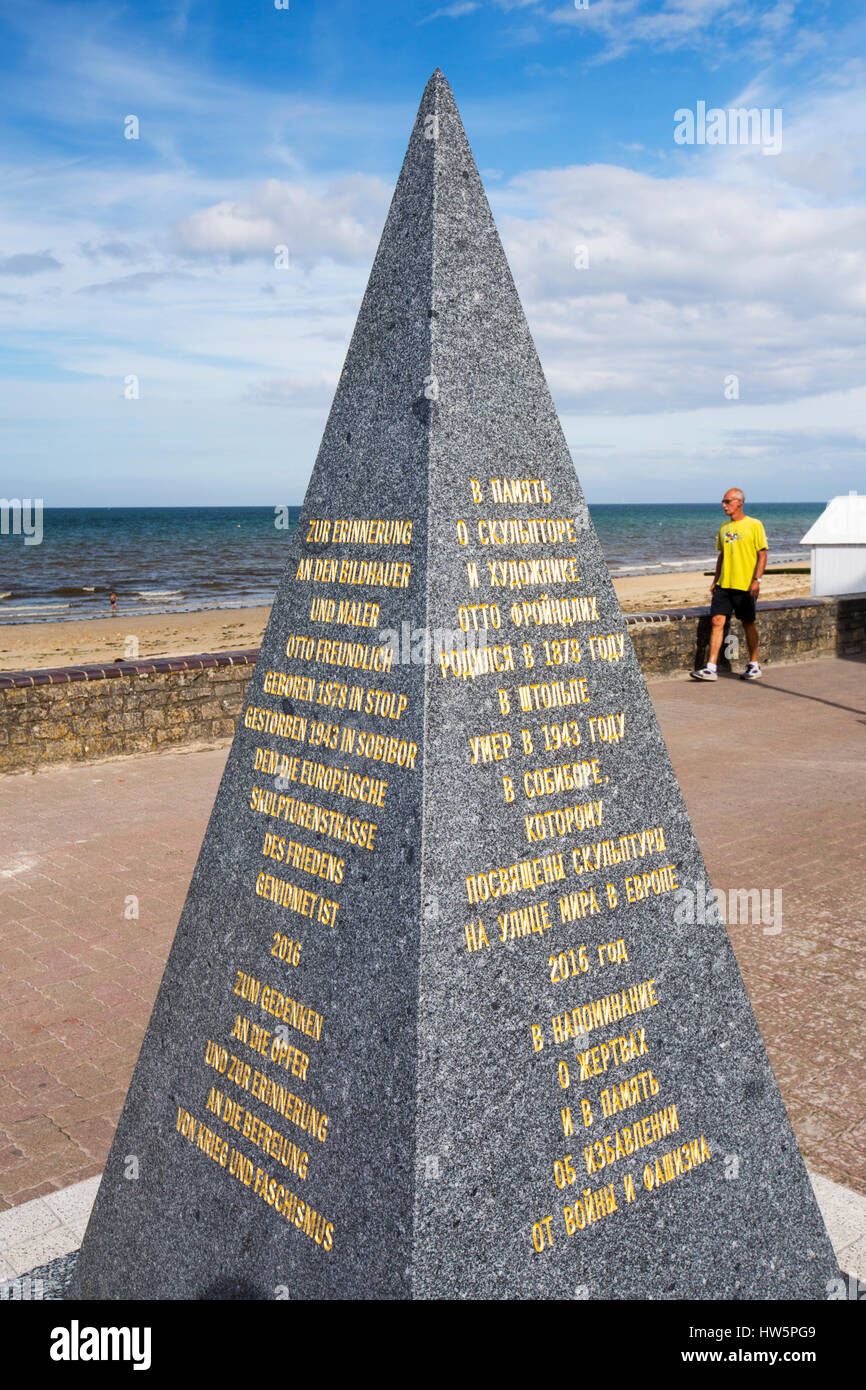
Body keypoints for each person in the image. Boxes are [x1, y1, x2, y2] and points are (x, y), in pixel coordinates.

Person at [691, 488, 767, 681]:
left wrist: (757, 580)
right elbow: (722, 556)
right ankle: (711, 667)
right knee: (717, 622)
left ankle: (754, 664)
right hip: (724, 584)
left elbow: (762, 555)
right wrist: (715, 579)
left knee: (747, 623)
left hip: (745, 585)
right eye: (723, 502)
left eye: (727, 501)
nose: (724, 505)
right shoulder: (724, 527)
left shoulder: (754, 525)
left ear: (739, 502)